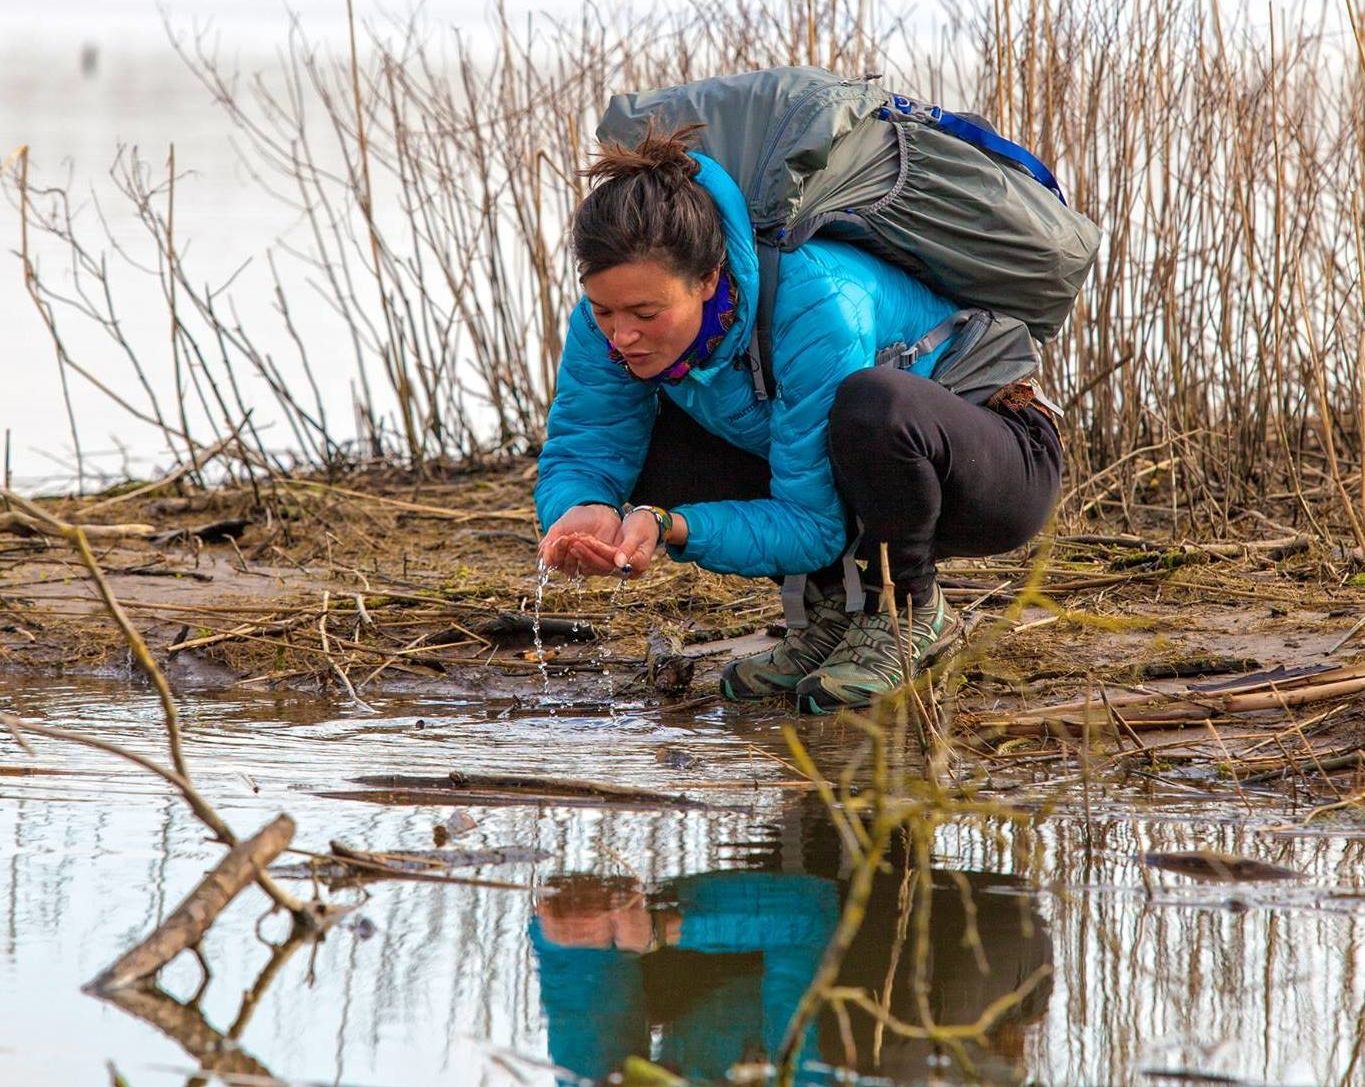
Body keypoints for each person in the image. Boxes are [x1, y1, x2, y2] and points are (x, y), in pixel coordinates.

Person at [535, 125, 1062, 712]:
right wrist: (583, 509)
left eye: (644, 312)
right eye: (604, 310)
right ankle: (834, 613)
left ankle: (907, 610)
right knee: (656, 449)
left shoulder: (816, 300)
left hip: (994, 461)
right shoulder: (606, 326)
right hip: (855, 478)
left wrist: (670, 526)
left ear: (708, 279)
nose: (621, 334)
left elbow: (813, 524)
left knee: (872, 406)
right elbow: (587, 446)